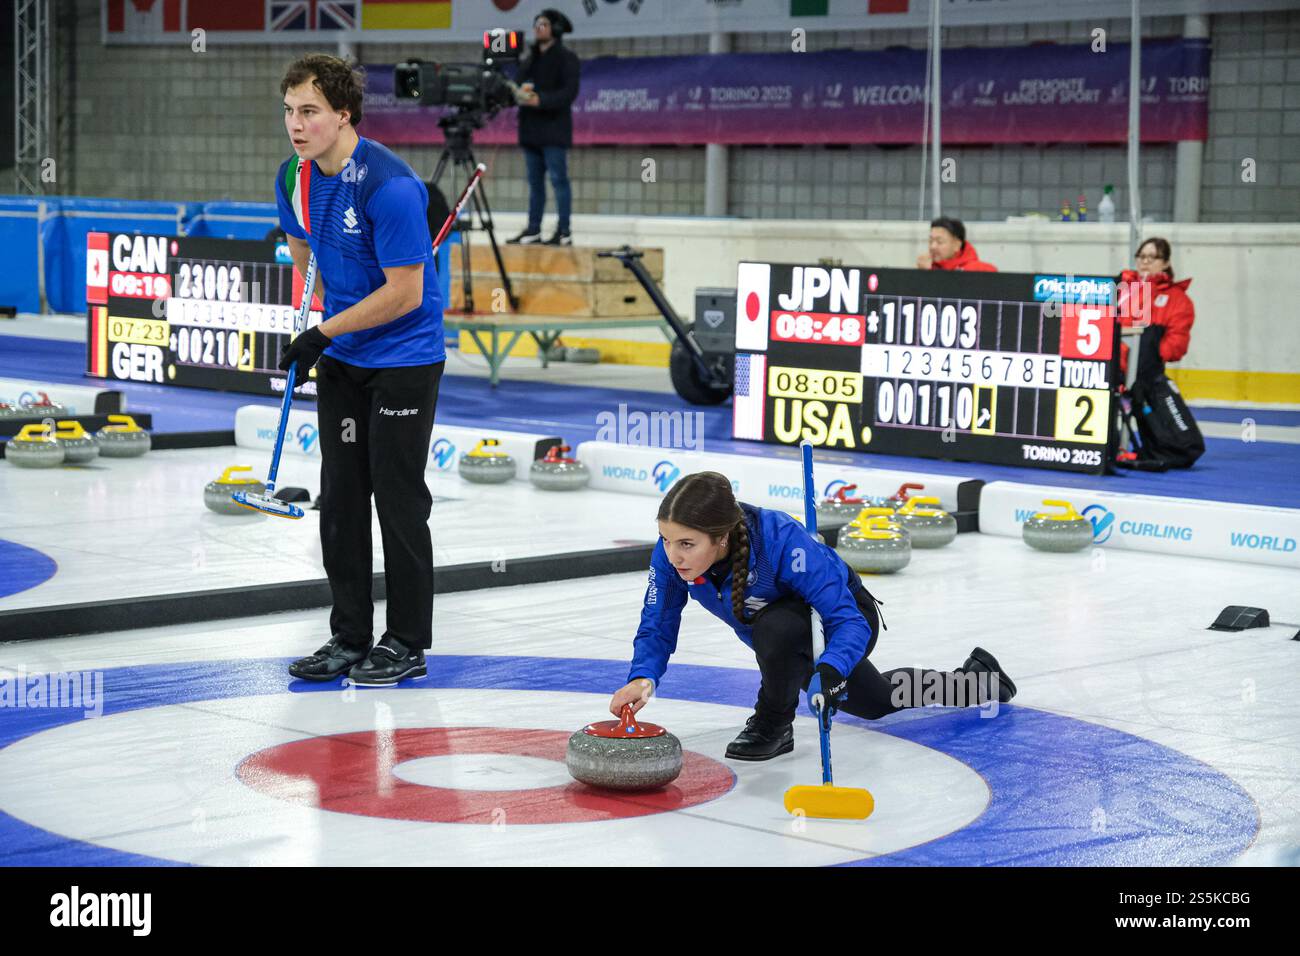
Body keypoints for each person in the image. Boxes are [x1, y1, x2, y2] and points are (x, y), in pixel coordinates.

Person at [608, 472, 1017, 760]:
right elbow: (657, 621)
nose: (673, 553)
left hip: (844, 622)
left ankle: (773, 724)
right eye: (665, 539)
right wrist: (643, 676)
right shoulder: (670, 559)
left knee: (778, 627)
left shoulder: (783, 541)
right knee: (876, 701)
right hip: (783, 644)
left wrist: (834, 666)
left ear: (722, 537)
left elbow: (847, 619)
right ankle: (976, 679)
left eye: (686, 543)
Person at [274, 53, 445, 687]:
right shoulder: (294, 177)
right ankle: (349, 634)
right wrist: (322, 314)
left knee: (398, 501)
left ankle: (406, 640)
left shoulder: (392, 186)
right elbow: (299, 243)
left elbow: (405, 292)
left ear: (343, 115)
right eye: (290, 112)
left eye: (310, 111)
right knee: (341, 501)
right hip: (344, 356)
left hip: (403, 359)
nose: (296, 124)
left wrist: (323, 331)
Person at [507, 9, 581, 247]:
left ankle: (564, 230)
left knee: (559, 180)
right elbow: (518, 84)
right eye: (536, 24)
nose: (539, 28)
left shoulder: (566, 58)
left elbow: (569, 93)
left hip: (554, 129)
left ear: (556, 30)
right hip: (531, 130)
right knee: (534, 183)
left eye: (544, 24)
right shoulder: (530, 59)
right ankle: (533, 228)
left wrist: (542, 100)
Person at [1117, 237, 1195, 375]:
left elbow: (1177, 342)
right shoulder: (1120, 287)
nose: (1145, 261)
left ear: (1166, 263)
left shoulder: (1178, 299)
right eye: (1142, 256)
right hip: (1110, 369)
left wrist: (1152, 356)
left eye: (1152, 257)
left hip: (1145, 376)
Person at [915, 216, 997, 272]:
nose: (933, 246)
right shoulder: (927, 267)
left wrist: (930, 275)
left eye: (939, 242)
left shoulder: (982, 270)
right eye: (930, 241)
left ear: (957, 245)